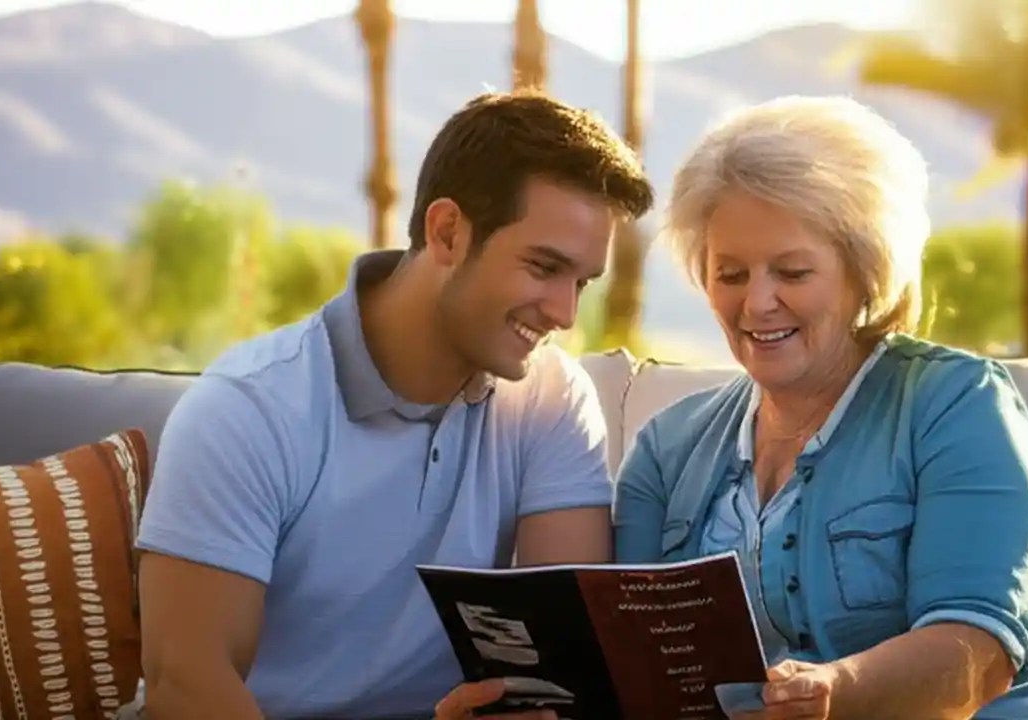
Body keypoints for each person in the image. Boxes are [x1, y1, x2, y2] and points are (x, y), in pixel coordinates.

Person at [130, 90, 653, 720]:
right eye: (544, 267)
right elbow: (186, 686)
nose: (566, 314)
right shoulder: (249, 409)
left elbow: (562, 675)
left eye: (582, 283)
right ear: (448, 232)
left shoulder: (551, 400)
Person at [612, 95, 1028, 719]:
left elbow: (975, 661)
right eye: (730, 274)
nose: (757, 303)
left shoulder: (957, 404)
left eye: (791, 272)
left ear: (863, 269)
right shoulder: (665, 449)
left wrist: (835, 692)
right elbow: (632, 664)